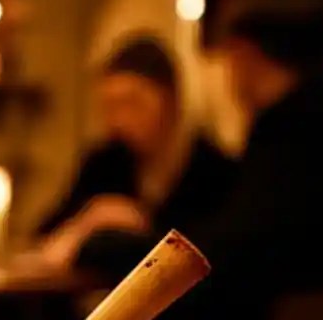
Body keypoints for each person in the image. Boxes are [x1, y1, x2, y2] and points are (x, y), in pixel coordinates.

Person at [74, 0, 323, 320]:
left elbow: (223, 272)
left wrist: (101, 243)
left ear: (244, 55)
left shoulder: (293, 136)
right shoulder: (313, 122)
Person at [38, 35, 237, 267]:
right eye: (110, 107)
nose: (120, 120)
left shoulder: (213, 169)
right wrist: (90, 219)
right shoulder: (106, 161)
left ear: (171, 100)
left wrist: (142, 227)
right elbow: (44, 237)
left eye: (132, 102)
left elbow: (210, 256)